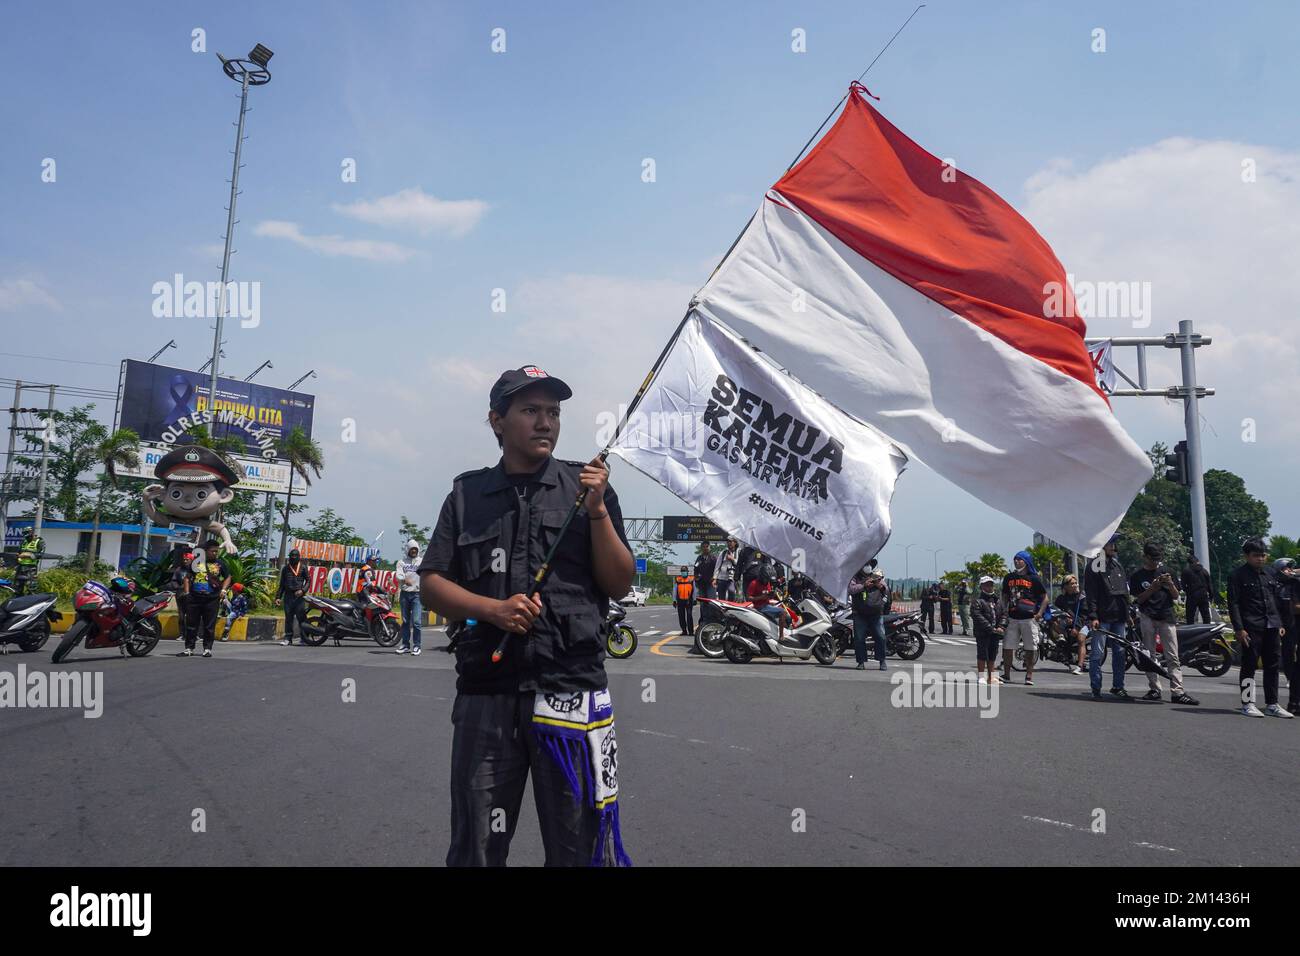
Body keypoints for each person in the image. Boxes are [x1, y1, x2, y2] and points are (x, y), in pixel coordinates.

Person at [418, 365, 635, 867]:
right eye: (531, 410)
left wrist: (598, 510)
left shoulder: (588, 489)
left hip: (569, 690)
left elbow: (619, 582)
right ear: (497, 421)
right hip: (487, 694)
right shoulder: (467, 496)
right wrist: (491, 609)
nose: (546, 423)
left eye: (554, 413)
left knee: (577, 845)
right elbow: (432, 583)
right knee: (476, 845)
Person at [1129, 542, 1199, 705]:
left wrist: (1170, 584)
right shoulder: (1137, 576)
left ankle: (1177, 691)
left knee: (1173, 655)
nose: (1156, 562)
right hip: (1147, 616)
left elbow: (1175, 596)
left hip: (1167, 616)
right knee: (1150, 655)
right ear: (1145, 557)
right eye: (1152, 559)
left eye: (1158, 559)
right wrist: (1153, 588)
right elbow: (1138, 599)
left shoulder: (1168, 572)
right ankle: (1155, 688)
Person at [1227, 538, 1291, 718]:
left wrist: (1279, 623)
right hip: (1251, 626)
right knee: (1249, 664)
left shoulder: (1270, 573)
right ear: (1247, 556)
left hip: (1272, 624)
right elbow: (1234, 604)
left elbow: (1275, 600)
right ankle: (1247, 703)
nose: (1260, 559)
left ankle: (1272, 703)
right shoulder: (1237, 575)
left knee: (1272, 665)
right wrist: (1239, 628)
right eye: (1256, 556)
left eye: (1263, 555)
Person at [1083, 534, 1131, 700]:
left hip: (1119, 616)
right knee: (1097, 653)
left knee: (1120, 652)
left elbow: (1124, 592)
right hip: (1102, 617)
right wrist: (1093, 615)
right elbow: (1091, 594)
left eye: (1114, 543)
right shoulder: (1094, 566)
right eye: (1111, 543)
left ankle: (1118, 686)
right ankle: (1096, 687)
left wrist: (1128, 614)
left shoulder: (1117, 564)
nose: (1114, 546)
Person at [1001, 551, 1047, 685]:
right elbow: (1004, 595)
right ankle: (1006, 674)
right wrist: (1004, 610)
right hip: (1012, 617)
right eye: (1015, 559)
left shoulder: (1034, 578)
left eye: (1019, 560)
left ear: (1026, 562)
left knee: (1030, 647)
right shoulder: (1009, 577)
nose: (1016, 562)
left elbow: (1045, 598)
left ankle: (1029, 676)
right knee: (1008, 646)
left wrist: (1039, 614)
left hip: (1029, 618)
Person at [180, 538, 229, 658]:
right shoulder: (196, 563)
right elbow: (187, 578)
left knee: (209, 625)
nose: (215, 553)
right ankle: (189, 648)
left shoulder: (220, 564)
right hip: (194, 598)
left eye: (216, 551)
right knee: (191, 624)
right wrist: (187, 593)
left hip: (212, 599)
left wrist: (223, 590)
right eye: (213, 551)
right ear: (206, 551)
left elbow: (228, 577)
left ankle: (207, 649)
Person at [1269, 557, 1300, 715]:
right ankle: (1293, 701)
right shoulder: (1276, 587)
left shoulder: (1295, 582)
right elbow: (1294, 607)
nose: (1290, 571)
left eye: (1291, 568)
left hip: (1294, 628)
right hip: (1287, 629)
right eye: (1286, 568)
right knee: (1290, 662)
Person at [848, 565, 889, 671]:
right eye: (865, 564)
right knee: (859, 638)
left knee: (880, 637)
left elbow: (886, 589)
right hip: (859, 613)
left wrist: (878, 584)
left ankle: (882, 661)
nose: (867, 566)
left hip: (876, 613)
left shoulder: (876, 575)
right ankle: (861, 662)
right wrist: (863, 585)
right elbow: (851, 589)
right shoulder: (855, 577)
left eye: (869, 564)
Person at [971, 575, 1005, 684]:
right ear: (981, 586)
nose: (989, 587)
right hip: (983, 633)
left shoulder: (998, 600)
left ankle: (992, 677)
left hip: (996, 633)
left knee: (992, 655)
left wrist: (1001, 626)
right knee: (982, 654)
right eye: (986, 585)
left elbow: (1004, 614)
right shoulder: (977, 601)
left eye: (991, 584)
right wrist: (991, 628)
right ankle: (981, 676)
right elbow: (977, 616)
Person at [747, 562, 790, 644]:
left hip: (767, 605)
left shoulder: (767, 583)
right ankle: (781, 637)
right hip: (760, 607)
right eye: (766, 579)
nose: (766, 581)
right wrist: (761, 597)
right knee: (783, 612)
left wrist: (772, 594)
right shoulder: (754, 583)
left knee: (787, 617)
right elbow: (749, 597)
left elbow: (768, 595)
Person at [394, 539, 423, 656]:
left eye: (415, 549)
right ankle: (405, 645)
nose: (414, 551)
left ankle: (417, 646)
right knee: (405, 621)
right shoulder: (401, 562)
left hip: (417, 594)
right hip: (405, 594)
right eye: (412, 549)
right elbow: (398, 574)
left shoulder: (422, 562)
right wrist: (403, 579)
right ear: (408, 550)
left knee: (416, 622)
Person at [1052, 575, 1086, 674]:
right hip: (1066, 624)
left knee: (1080, 639)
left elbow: (1084, 615)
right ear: (1065, 586)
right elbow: (1056, 611)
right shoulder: (1061, 598)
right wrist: (1063, 617)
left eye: (1076, 583)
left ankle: (1080, 666)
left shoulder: (1081, 597)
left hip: (1082, 623)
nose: (1075, 585)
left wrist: (1076, 627)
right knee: (1052, 622)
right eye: (1072, 583)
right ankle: (1062, 639)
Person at [276, 548, 309, 646]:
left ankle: (304, 638)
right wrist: (278, 597)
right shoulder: (285, 568)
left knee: (301, 618)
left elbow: (308, 581)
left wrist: (303, 590)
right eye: (292, 556)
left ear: (299, 557)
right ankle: (288, 638)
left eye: (295, 556)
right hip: (288, 596)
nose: (293, 557)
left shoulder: (303, 567)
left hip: (299, 597)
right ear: (289, 557)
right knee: (288, 618)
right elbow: (282, 584)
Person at [1180, 553, 1213, 624]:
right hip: (1203, 594)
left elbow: (1182, 585)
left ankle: (1191, 632)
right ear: (1198, 562)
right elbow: (1209, 585)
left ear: (1189, 563)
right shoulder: (1204, 571)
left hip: (1192, 595)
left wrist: (1187, 591)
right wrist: (1211, 596)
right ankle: (1207, 631)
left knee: (1190, 616)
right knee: (1206, 616)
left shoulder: (1186, 571)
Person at [673, 570, 696, 637]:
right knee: (681, 616)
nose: (683, 572)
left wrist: (694, 599)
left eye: (685, 571)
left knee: (689, 616)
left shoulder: (691, 579)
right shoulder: (678, 579)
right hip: (680, 601)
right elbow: (674, 590)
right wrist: (674, 600)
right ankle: (684, 631)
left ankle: (691, 631)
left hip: (689, 601)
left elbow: (694, 590)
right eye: (682, 571)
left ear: (687, 572)